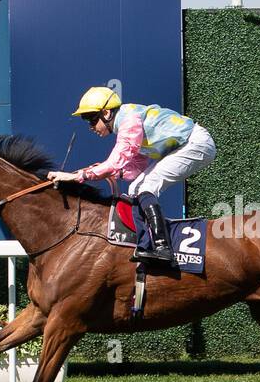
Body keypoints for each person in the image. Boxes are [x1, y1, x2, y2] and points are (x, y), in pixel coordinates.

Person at [47, 86, 216, 266]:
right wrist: (115, 172)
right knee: (136, 187)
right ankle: (145, 244)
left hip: (196, 143)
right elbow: (137, 165)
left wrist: (78, 176)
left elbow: (114, 162)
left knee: (147, 186)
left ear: (106, 113)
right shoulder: (129, 121)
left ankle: (162, 247)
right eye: (86, 120)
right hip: (185, 145)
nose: (90, 126)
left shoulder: (129, 121)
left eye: (92, 119)